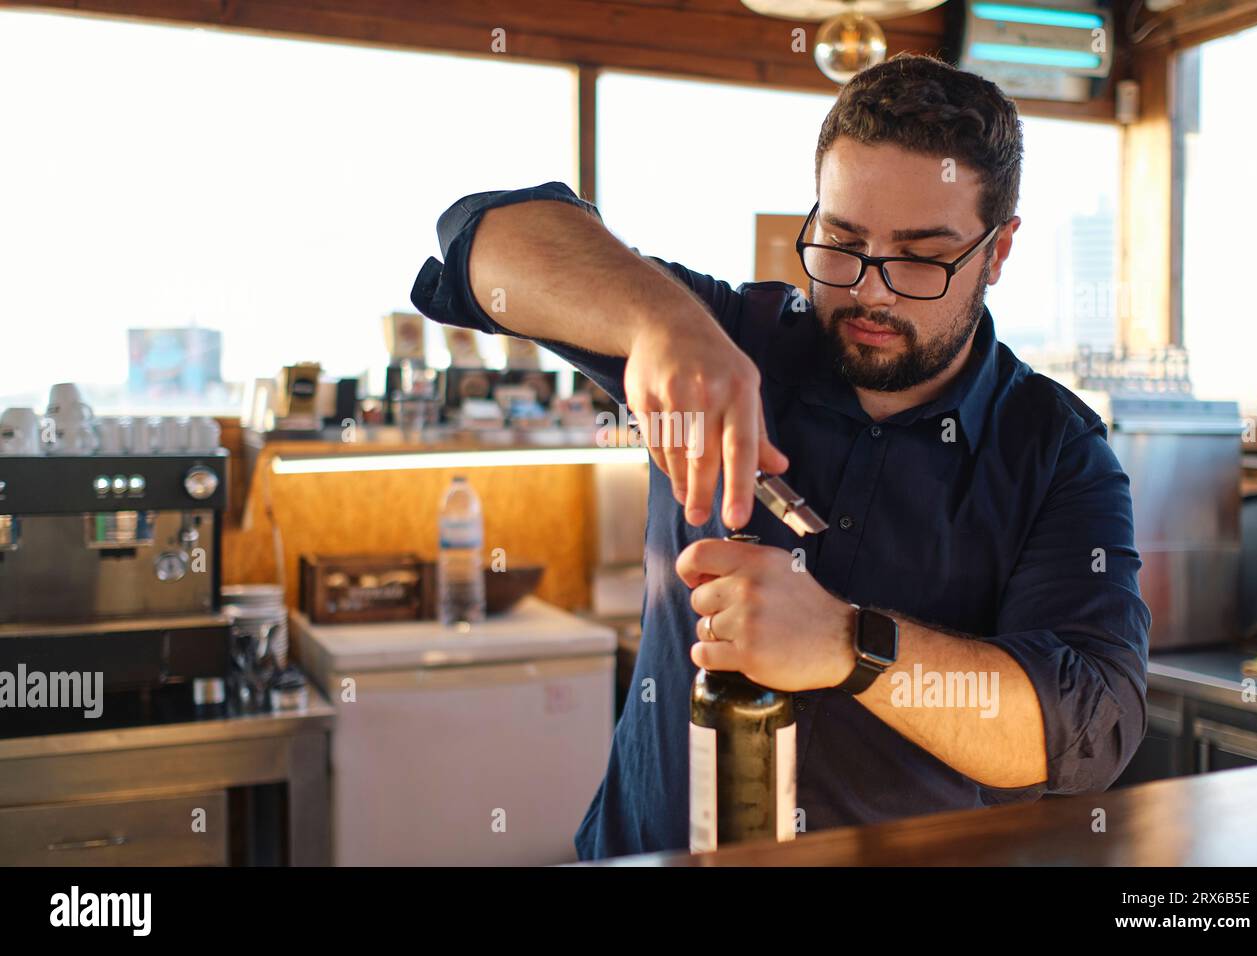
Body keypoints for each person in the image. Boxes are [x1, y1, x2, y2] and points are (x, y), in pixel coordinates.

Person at [410, 52, 1150, 862]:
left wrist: (850, 644)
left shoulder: (1056, 453)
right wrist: (658, 320)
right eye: (842, 240)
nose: (871, 291)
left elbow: (1088, 727)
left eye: (920, 256)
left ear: (997, 252)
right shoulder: (732, 338)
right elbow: (481, 239)